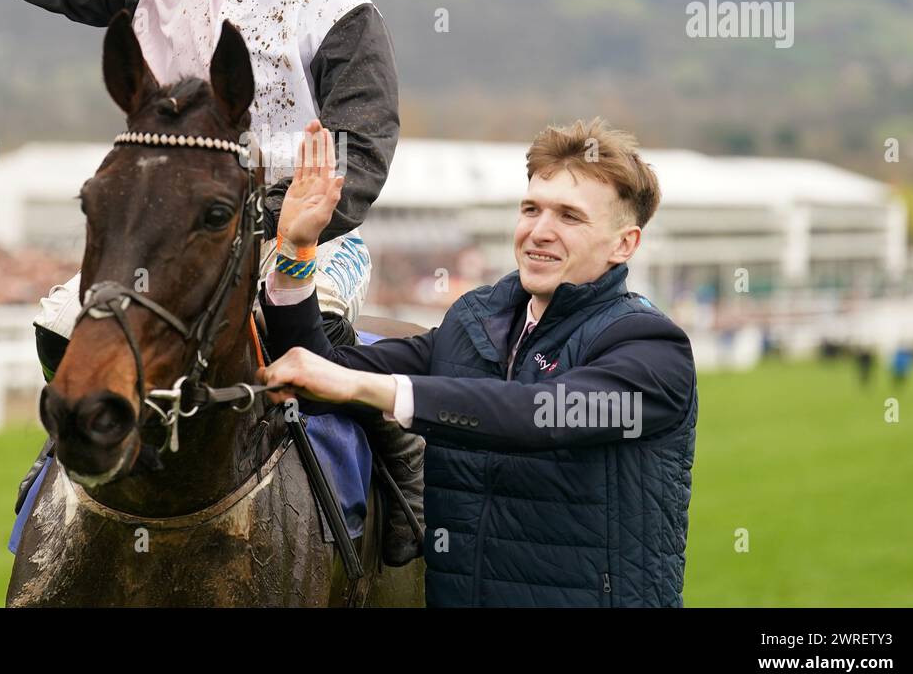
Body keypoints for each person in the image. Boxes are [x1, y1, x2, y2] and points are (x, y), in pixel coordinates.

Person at [0, 0, 425, 564]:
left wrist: (270, 223)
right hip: (168, 234)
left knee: (315, 343)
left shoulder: (338, 5)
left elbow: (365, 150)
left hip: (305, 236)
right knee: (64, 319)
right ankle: (74, 456)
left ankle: (399, 482)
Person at [259, 118, 698, 606]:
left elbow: (539, 415)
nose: (539, 231)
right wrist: (297, 250)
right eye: (531, 209)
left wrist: (377, 391)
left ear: (625, 244)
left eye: (569, 217)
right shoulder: (473, 323)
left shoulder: (652, 347)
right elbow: (317, 369)